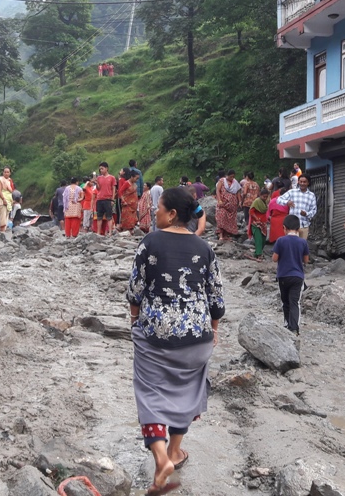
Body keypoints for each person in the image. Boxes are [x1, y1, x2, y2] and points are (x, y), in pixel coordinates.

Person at [127, 187, 224, 495]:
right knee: (187, 392)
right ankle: (174, 453)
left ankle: (160, 457)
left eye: (159, 208)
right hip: (197, 338)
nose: (155, 212)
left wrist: (134, 322)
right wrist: (214, 329)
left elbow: (135, 290)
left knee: (150, 392)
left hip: (156, 336)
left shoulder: (150, 242)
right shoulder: (204, 247)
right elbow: (216, 297)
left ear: (171, 214)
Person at [272, 215, 310, 335]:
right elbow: (306, 260)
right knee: (295, 302)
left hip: (283, 276)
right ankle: (294, 328)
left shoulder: (280, 241)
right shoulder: (303, 242)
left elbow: (274, 258)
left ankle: (286, 324)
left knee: (285, 301)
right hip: (297, 276)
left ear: (284, 228)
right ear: (298, 229)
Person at [277, 175, 316, 240]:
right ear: (298, 182)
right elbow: (279, 200)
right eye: (301, 181)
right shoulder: (292, 192)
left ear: (308, 183)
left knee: (301, 247)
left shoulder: (311, 195)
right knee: (291, 246)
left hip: (304, 226)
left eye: (304, 182)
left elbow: (314, 210)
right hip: (292, 227)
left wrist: (306, 214)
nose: (302, 183)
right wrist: (287, 202)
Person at [215, 170, 241, 241]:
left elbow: (238, 192)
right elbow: (218, 190)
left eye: (233, 176)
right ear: (227, 175)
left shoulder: (235, 182)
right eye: (231, 176)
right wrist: (219, 200)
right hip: (223, 203)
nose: (232, 178)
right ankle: (220, 235)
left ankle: (226, 235)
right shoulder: (222, 181)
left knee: (229, 220)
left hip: (232, 206)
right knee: (221, 218)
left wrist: (240, 201)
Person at [95, 162, 117, 236]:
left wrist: (112, 199)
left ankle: (110, 232)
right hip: (100, 198)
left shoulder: (112, 178)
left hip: (108, 198)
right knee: (99, 217)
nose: (101, 170)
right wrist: (96, 183)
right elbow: (98, 188)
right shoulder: (99, 178)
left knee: (109, 217)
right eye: (100, 169)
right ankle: (98, 232)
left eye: (102, 168)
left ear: (106, 168)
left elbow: (114, 189)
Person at [248, 196, 269, 260]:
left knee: (263, 239)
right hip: (256, 224)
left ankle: (257, 253)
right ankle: (259, 254)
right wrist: (256, 218)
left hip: (263, 223)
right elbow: (251, 211)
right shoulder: (257, 202)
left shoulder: (264, 203)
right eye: (264, 196)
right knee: (258, 239)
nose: (265, 198)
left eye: (266, 196)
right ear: (261, 195)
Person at [0, 167, 15, 233]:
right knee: (3, 215)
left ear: (10, 173)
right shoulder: (0, 179)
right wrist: (3, 199)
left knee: (7, 215)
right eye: (5, 172)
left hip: (9, 198)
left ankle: (4, 230)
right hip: (2, 198)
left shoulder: (10, 180)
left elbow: (11, 190)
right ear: (3, 173)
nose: (6, 173)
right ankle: (2, 230)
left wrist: (11, 200)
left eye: (8, 172)